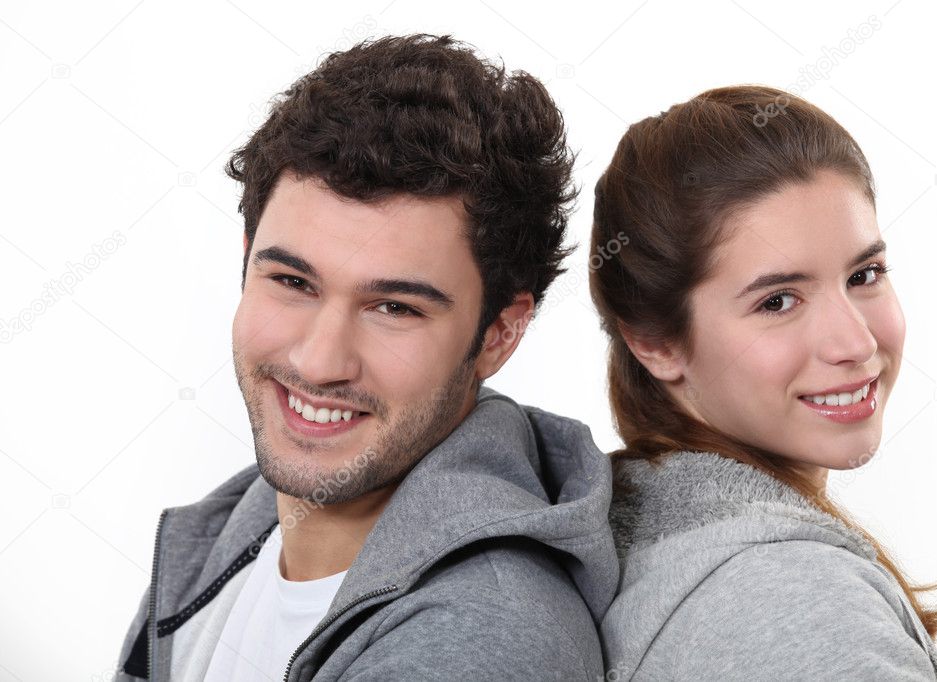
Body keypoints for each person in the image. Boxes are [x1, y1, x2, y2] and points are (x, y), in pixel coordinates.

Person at [114, 34, 618, 681]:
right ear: (246, 258)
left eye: (394, 308)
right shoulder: (221, 542)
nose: (319, 362)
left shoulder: (479, 642)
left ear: (499, 333)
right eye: (292, 282)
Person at [590, 85, 937, 680]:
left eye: (864, 275)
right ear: (655, 343)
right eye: (778, 301)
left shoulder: (647, 527)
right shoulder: (795, 602)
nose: (857, 343)